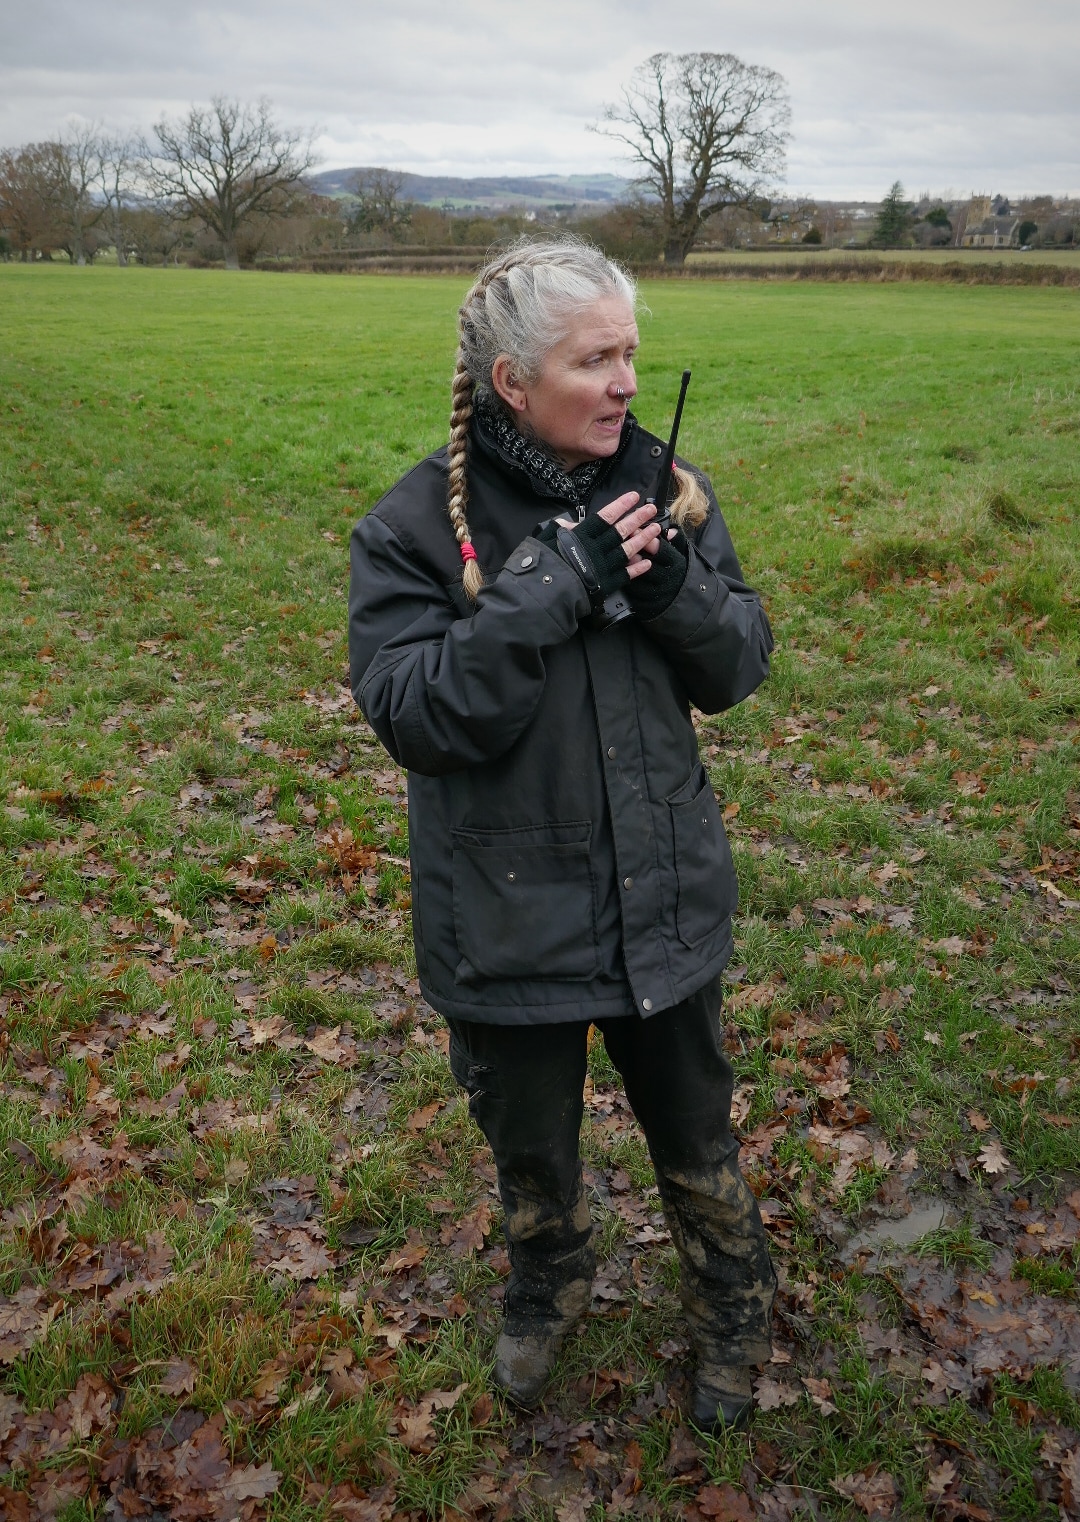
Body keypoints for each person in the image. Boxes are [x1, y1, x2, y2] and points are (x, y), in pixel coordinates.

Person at [348, 238, 776, 1431]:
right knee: (529, 1144)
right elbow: (418, 713)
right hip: (507, 910)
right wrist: (550, 586)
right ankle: (549, 1277)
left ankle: (733, 1296)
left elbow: (740, 661)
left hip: (662, 894)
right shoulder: (412, 528)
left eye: (632, 352)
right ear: (514, 385)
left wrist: (667, 582)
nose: (628, 381)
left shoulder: (666, 495)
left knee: (696, 1130)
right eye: (597, 358)